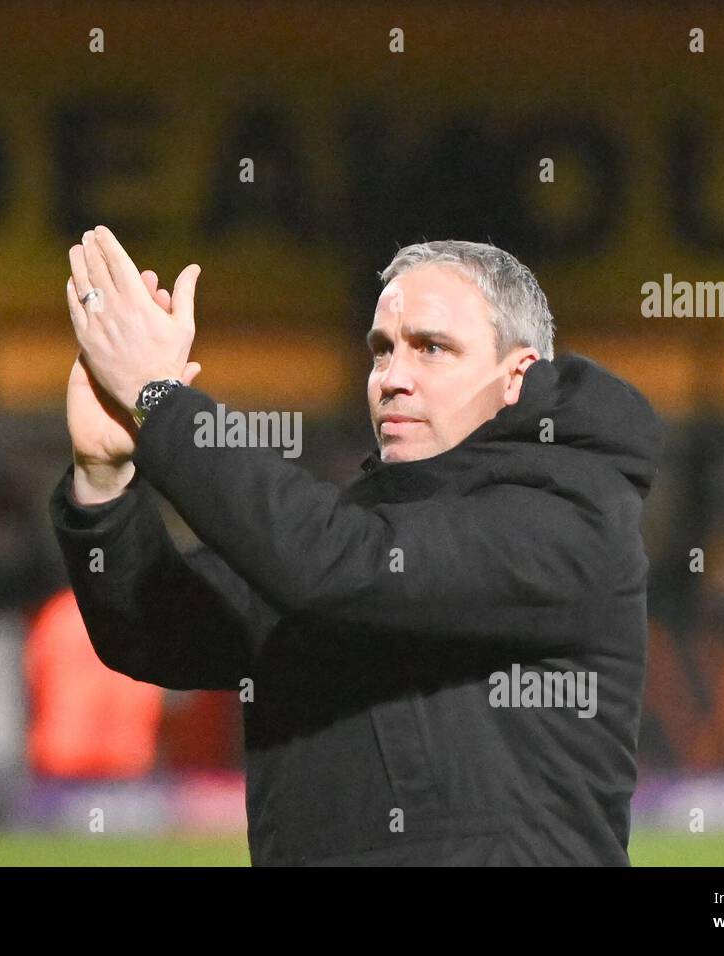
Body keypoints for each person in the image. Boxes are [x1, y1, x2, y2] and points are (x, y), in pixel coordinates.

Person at [48, 229, 663, 865]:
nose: (392, 378)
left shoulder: (571, 513)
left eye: (431, 348)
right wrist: (104, 480)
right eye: (381, 351)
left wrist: (160, 403)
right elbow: (158, 633)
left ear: (518, 377)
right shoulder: (350, 530)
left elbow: (337, 565)